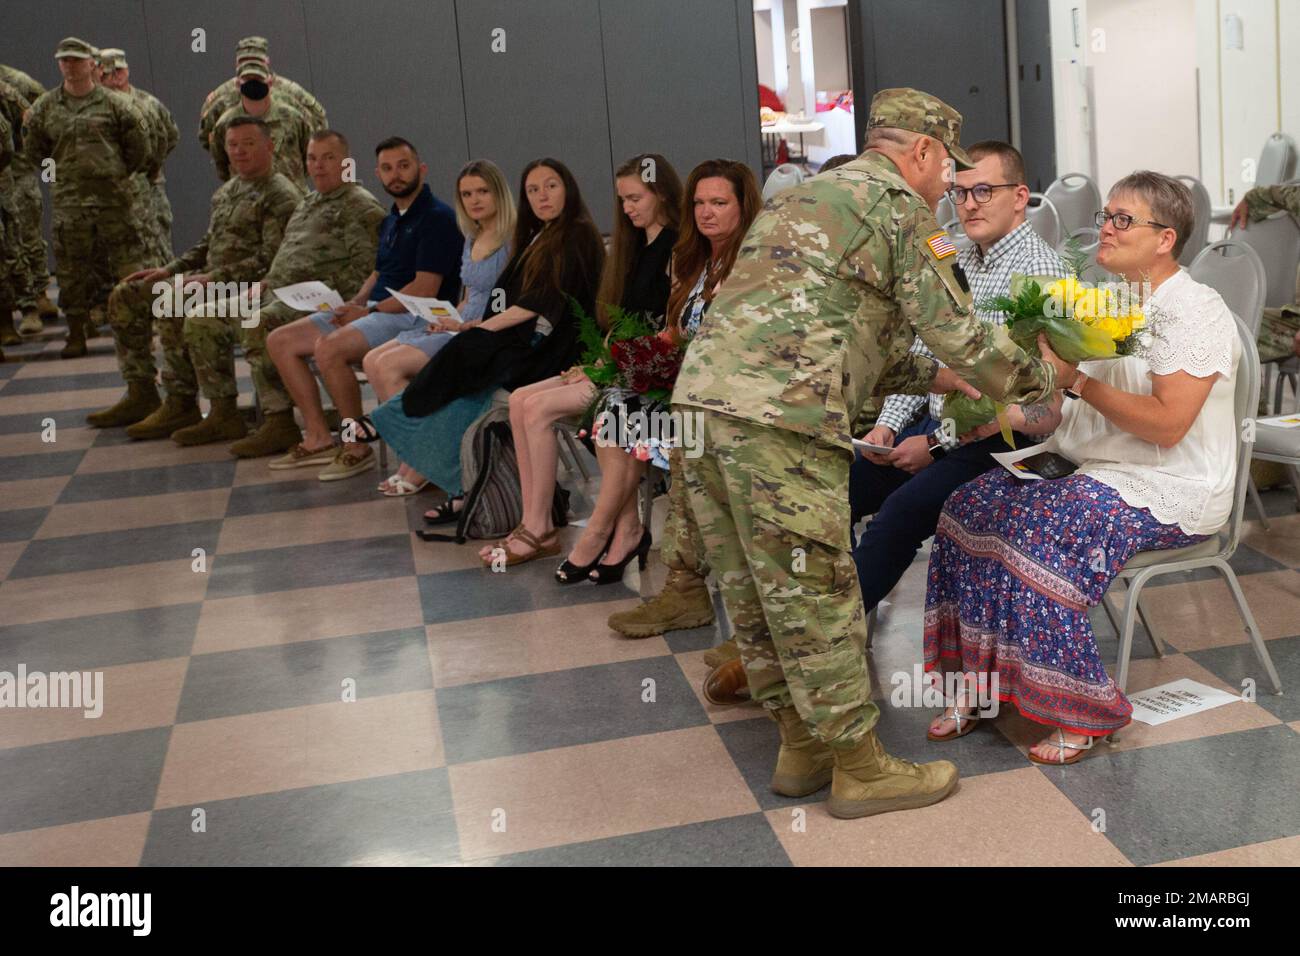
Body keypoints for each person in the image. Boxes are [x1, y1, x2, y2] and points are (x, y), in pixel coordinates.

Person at [670, 88, 1057, 819]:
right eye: (949, 167)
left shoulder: (804, 198)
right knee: (816, 591)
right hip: (779, 423)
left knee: (758, 589)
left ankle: (801, 745)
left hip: (704, 413)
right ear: (921, 152)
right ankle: (860, 766)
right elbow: (960, 332)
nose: (950, 185)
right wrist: (1042, 377)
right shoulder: (903, 211)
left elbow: (840, 338)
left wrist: (932, 377)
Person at [925, 172, 1241, 764]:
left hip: (1173, 484)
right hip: (1095, 465)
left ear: (1165, 238)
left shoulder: (1193, 311)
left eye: (1124, 220)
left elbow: (1167, 425)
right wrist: (996, 410)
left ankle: (1084, 710)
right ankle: (977, 684)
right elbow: (1063, 410)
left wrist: (1078, 382)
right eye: (1106, 216)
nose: (1107, 228)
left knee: (1048, 526)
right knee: (967, 505)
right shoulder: (1110, 297)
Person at [850, 140, 1065, 622]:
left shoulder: (1042, 273)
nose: (968, 204)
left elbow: (1032, 402)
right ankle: (795, 624)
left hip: (1003, 443)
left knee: (899, 515)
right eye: (960, 192)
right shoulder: (954, 258)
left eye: (984, 191)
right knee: (835, 489)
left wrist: (935, 446)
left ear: (1020, 196)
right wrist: (887, 426)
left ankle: (826, 644)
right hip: (936, 430)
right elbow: (924, 351)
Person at [370, 158, 604, 546]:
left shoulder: (574, 235)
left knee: (474, 360)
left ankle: (401, 426)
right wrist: (473, 324)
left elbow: (540, 302)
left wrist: (481, 326)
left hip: (559, 349)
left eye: (550, 186)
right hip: (531, 340)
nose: (542, 196)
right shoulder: (540, 235)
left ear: (569, 189)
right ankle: (456, 477)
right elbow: (506, 298)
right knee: (469, 361)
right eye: (533, 190)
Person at [472, 154, 681, 568]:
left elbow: (664, 331)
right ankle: (534, 521)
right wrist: (597, 360)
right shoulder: (636, 246)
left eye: (636, 198)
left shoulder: (675, 248)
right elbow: (617, 324)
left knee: (539, 407)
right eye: (622, 200)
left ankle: (541, 529)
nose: (628, 209)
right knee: (519, 400)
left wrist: (608, 363)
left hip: (649, 373)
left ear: (661, 193)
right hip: (619, 363)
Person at [604, 160, 759, 640]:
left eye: (719, 203)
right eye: (699, 203)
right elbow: (680, 332)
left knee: (685, 450)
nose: (706, 213)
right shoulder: (697, 259)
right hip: (694, 401)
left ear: (743, 206)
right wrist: (644, 351)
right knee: (614, 407)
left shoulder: (755, 262)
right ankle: (679, 583)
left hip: (740, 405)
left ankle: (708, 599)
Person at [89, 117, 301, 438]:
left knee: (174, 301)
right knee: (129, 292)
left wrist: (211, 278)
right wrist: (171, 269)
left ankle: (197, 404)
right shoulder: (230, 189)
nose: (239, 152)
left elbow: (272, 260)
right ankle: (141, 390)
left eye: (248, 144)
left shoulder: (280, 194)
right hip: (213, 281)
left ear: (269, 146)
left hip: (252, 288)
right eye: (232, 145)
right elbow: (209, 242)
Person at [264, 136, 462, 480]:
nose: (395, 175)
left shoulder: (437, 217)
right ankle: (318, 438)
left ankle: (355, 446)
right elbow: (379, 271)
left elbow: (424, 288)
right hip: (375, 308)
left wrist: (368, 312)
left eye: (403, 166)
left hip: (411, 315)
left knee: (329, 349)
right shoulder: (393, 219)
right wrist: (355, 302)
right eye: (387, 169)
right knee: (281, 341)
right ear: (378, 174)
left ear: (422, 169)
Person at [182, 129, 386, 457]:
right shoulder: (308, 202)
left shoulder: (359, 207)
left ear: (346, 163)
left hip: (322, 300)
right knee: (201, 318)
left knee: (258, 322)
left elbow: (368, 272)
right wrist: (266, 282)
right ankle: (224, 413)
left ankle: (281, 421)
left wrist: (334, 300)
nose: (318, 166)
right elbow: (288, 253)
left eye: (328, 158)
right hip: (278, 291)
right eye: (312, 158)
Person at [366, 159, 515, 495]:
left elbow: (510, 299)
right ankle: (416, 453)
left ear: (499, 193)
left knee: (390, 366)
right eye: (466, 194)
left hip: (488, 328)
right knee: (373, 360)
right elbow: (469, 294)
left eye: (482, 191)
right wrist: (448, 318)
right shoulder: (472, 234)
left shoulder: (512, 238)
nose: (474, 200)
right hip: (461, 320)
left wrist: (465, 324)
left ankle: (421, 461)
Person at [22, 37, 151, 358]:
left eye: (77, 60)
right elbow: (35, 150)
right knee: (70, 271)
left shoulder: (116, 105)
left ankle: (137, 331)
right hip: (70, 203)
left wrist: (114, 173)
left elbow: (138, 149)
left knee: (128, 268)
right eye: (64, 60)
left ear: (91, 65)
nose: (70, 65)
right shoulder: (45, 108)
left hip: (114, 201)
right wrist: (63, 178)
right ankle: (77, 332)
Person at [100, 48, 179, 265]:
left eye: (118, 70)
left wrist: (150, 164)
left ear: (126, 71)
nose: (113, 77)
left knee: (158, 241)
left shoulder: (148, 103)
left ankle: (166, 291)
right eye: (106, 73)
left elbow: (170, 135)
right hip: (110, 191)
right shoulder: (96, 108)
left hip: (148, 185)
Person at [198, 37, 326, 156]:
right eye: (244, 61)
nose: (250, 66)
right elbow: (209, 136)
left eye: (256, 61)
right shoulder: (223, 96)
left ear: (266, 61)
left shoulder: (290, 92)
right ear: (237, 63)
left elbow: (318, 126)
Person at [0, 63, 53, 337]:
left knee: (25, 237)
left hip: (15, 170)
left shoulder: (14, 83)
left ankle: (37, 297)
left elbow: (41, 112)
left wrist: (30, 151)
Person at [210, 60, 313, 190]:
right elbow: (222, 163)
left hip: (294, 199)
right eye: (247, 79)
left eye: (258, 79)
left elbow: (309, 155)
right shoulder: (225, 123)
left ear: (270, 83)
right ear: (237, 84)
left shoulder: (293, 117)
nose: (253, 84)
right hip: (246, 199)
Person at [1229, 184, 1300, 366]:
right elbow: (1279, 193)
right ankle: (1251, 394)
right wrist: (1250, 199)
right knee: (1227, 334)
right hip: (1294, 320)